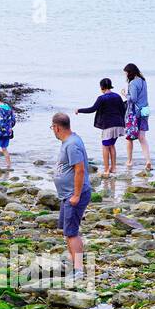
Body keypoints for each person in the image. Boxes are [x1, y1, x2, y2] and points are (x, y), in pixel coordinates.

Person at [50, 112, 91, 279]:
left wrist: (76, 195)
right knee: (69, 231)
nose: (52, 130)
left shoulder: (72, 144)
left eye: (52, 127)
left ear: (57, 127)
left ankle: (79, 270)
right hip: (66, 195)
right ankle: (76, 264)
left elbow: (79, 169)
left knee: (72, 232)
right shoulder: (69, 141)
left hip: (73, 195)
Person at [76, 78, 125, 176]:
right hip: (119, 125)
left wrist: (79, 110)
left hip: (108, 126)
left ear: (102, 87)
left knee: (105, 146)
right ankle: (113, 168)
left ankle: (106, 169)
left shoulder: (102, 98)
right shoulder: (118, 96)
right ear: (110, 86)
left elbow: (92, 109)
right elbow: (123, 109)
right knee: (111, 145)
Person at [122, 62, 151, 172]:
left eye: (126, 73)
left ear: (130, 73)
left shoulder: (133, 83)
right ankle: (148, 160)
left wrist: (124, 94)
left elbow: (133, 99)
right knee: (142, 138)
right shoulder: (143, 81)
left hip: (134, 113)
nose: (125, 75)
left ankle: (129, 161)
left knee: (129, 138)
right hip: (145, 111)